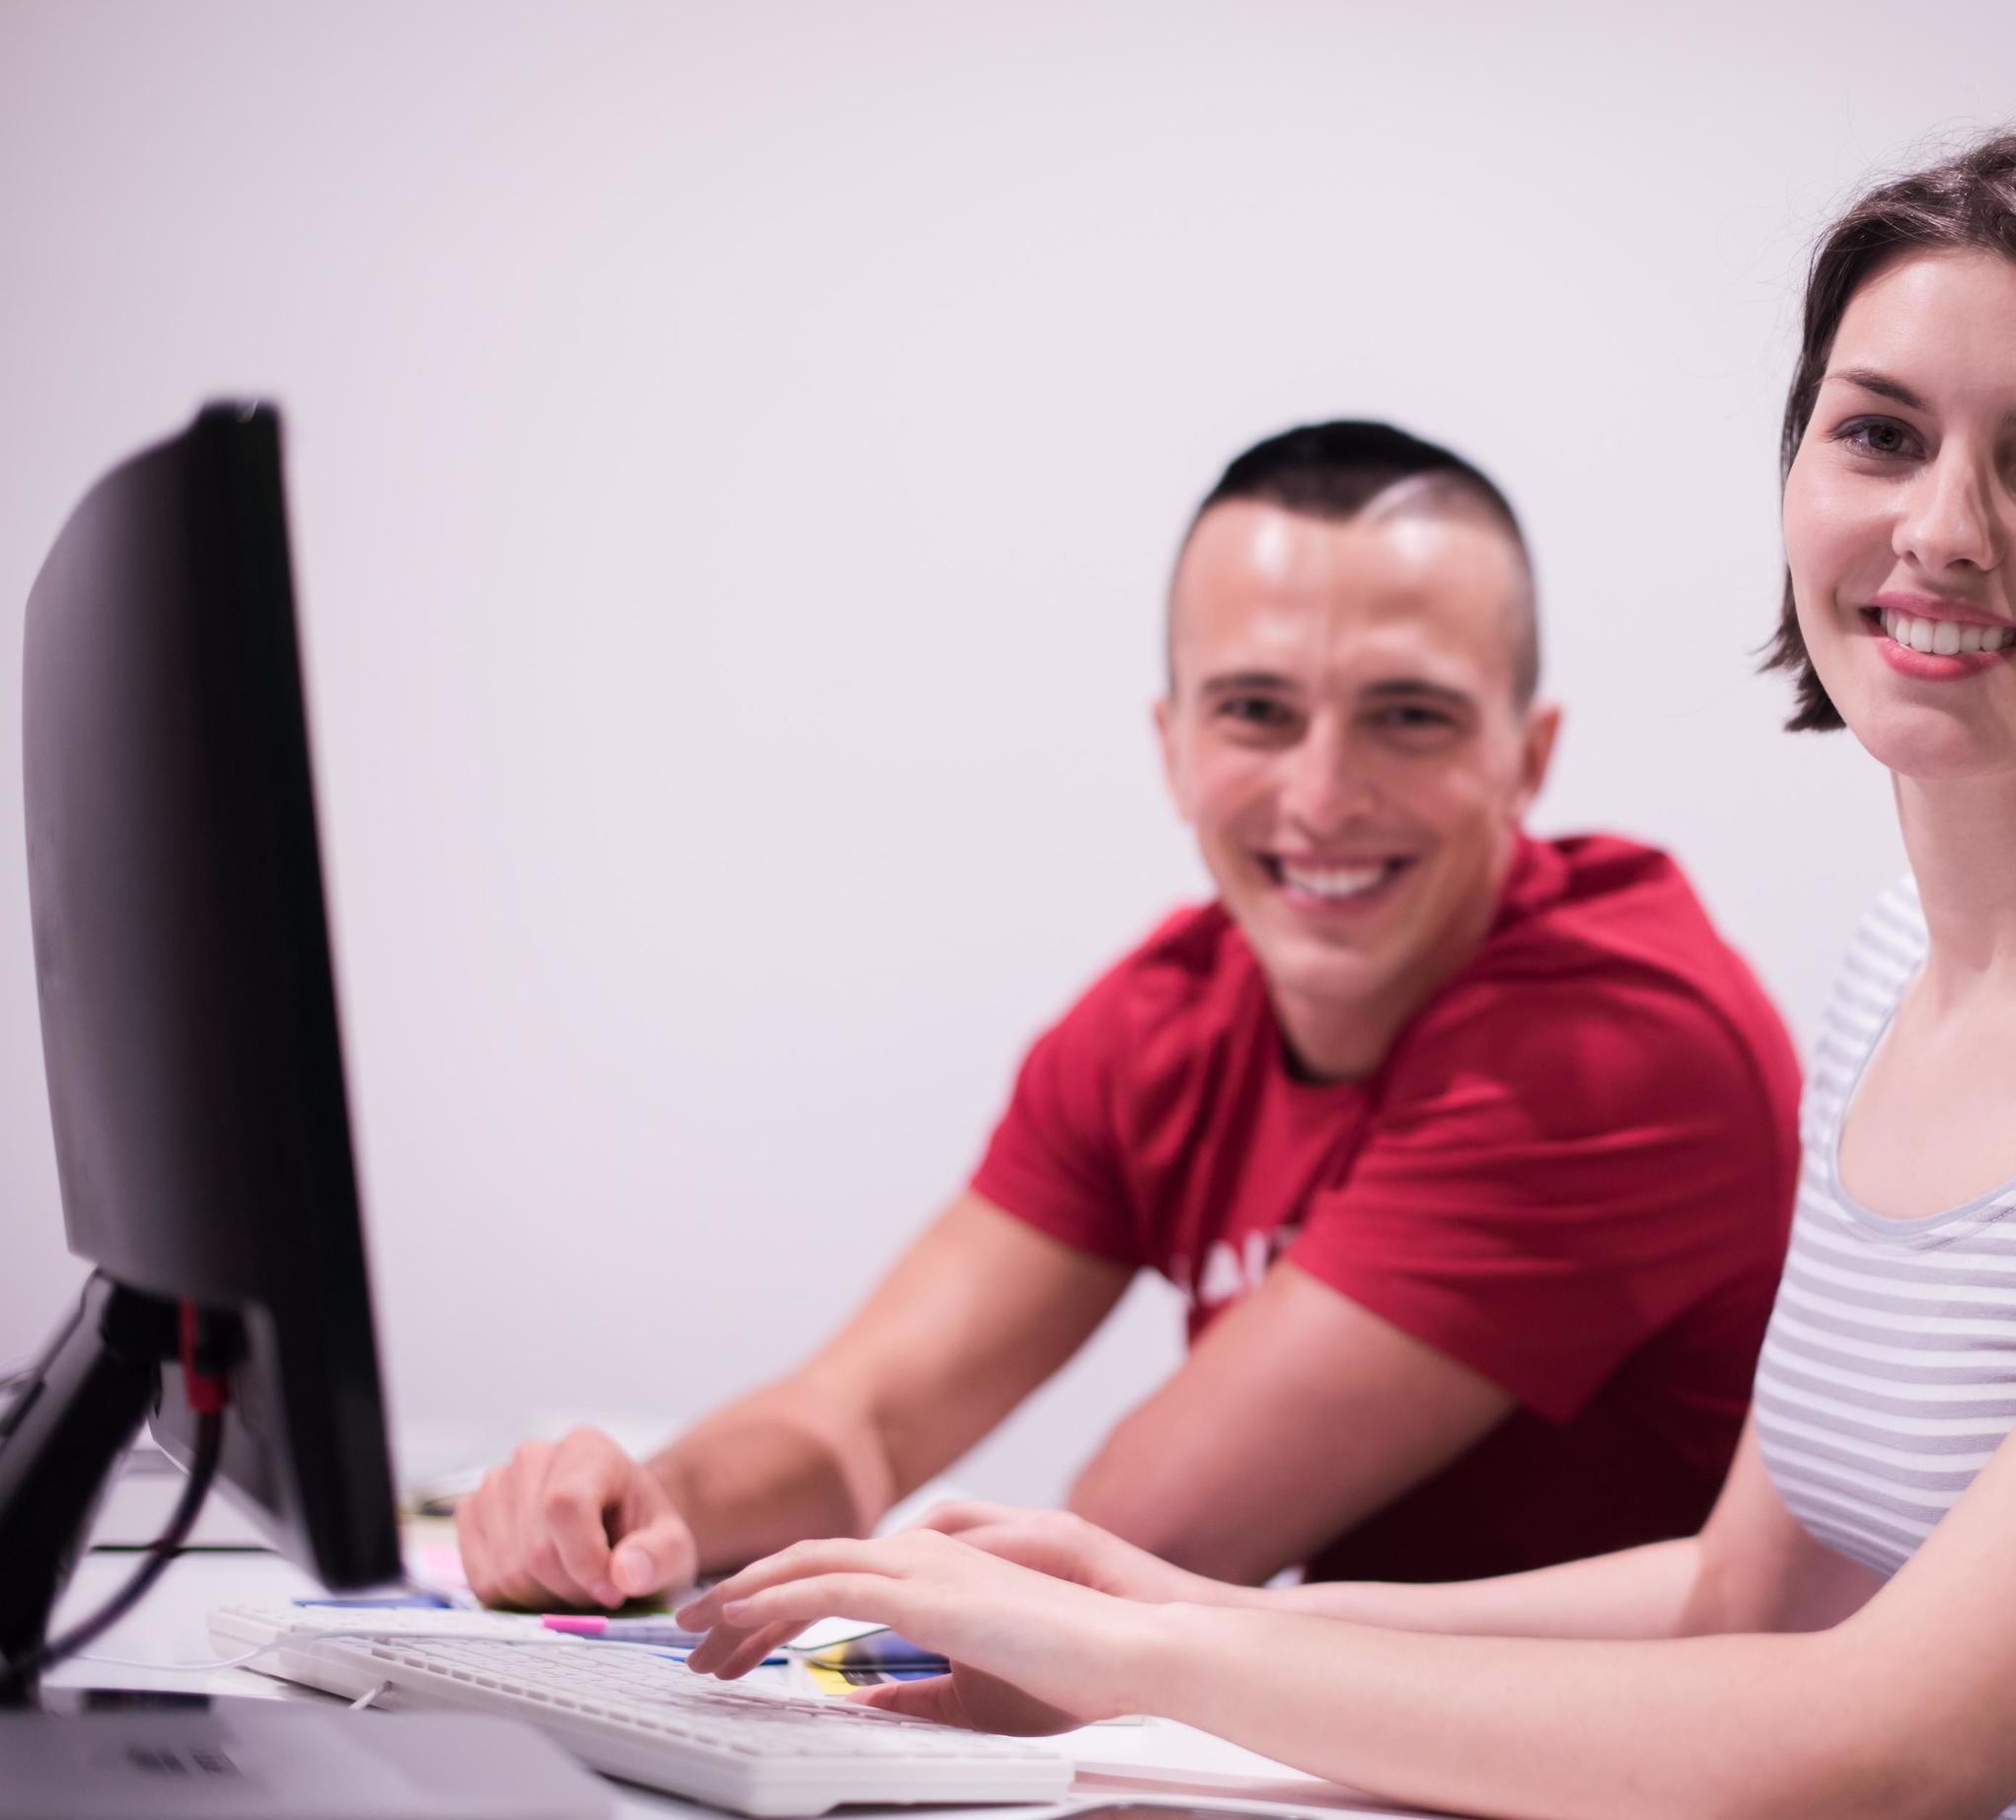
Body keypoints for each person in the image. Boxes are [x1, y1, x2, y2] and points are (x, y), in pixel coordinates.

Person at [678, 129, 2016, 1820]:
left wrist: (1167, 1663)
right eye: (1880, 432)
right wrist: (1182, 1616)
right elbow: (1744, 1598)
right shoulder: (1899, 971)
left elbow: (1901, 1750)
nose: (1938, 528)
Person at [456, 420, 1803, 1606]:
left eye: (1409, 716)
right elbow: (859, 1422)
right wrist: (647, 1506)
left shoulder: (1621, 1046)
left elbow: (1137, 1550)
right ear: (1172, 745)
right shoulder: (1165, 1019)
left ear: (1531, 757)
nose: (1324, 795)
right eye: (1258, 712)